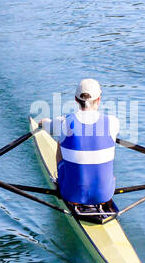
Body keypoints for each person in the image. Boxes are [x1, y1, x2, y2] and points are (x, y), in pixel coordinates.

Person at [47, 79, 119, 207]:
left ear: (75, 99)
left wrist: (42, 123)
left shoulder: (63, 122)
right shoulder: (113, 122)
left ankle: (60, 181)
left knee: (61, 140)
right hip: (105, 194)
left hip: (71, 194)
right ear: (99, 99)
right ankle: (103, 190)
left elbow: (48, 127)